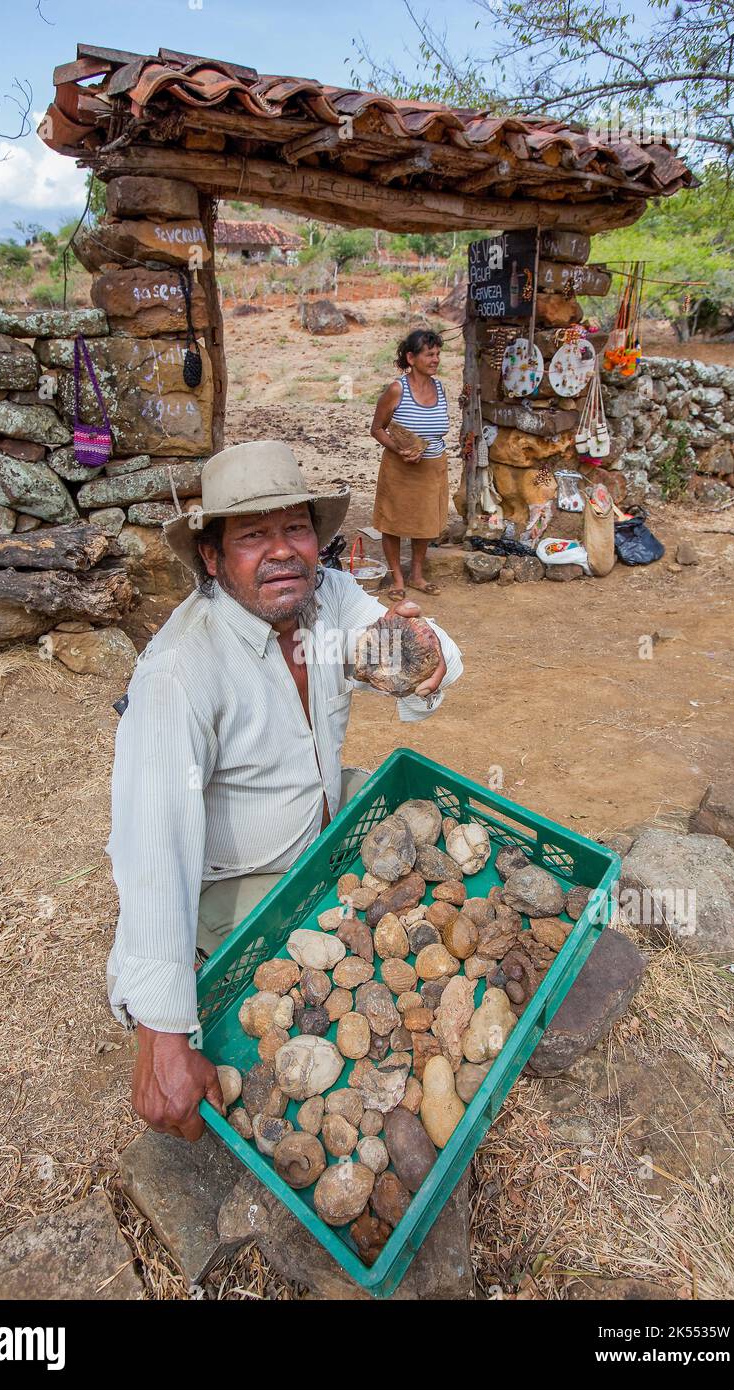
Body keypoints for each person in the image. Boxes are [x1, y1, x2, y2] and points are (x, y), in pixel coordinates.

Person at [105, 440, 464, 1142]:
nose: (282, 551)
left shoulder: (325, 596)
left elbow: (400, 641)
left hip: (324, 822)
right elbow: (154, 843)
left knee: (432, 829)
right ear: (211, 557)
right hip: (241, 877)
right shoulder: (179, 672)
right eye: (253, 536)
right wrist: (163, 1032)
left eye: (295, 528)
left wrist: (423, 652)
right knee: (277, 1007)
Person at [370, 328, 452, 601]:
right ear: (411, 357)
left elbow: (439, 428)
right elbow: (378, 428)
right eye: (429, 354)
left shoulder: (440, 388)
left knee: (425, 522)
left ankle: (417, 575)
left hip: (432, 467)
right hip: (400, 468)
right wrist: (401, 449)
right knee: (393, 522)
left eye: (438, 354)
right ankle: (398, 578)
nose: (435, 359)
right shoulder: (397, 389)